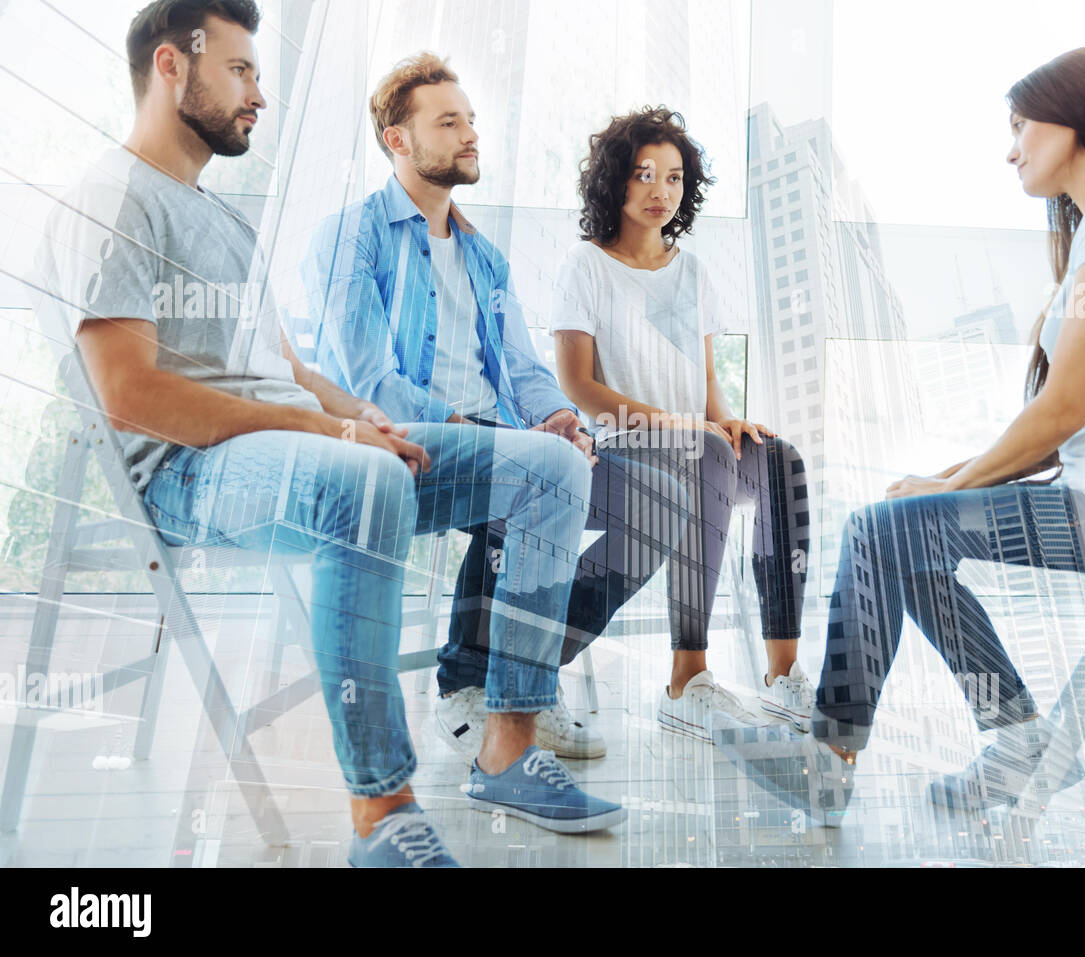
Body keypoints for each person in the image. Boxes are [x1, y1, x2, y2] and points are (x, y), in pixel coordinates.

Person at [32, 0, 627, 867]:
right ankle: (381, 812)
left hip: (293, 446)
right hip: (191, 473)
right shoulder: (114, 198)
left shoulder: (227, 220)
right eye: (240, 70)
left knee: (550, 469)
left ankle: (506, 748)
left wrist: (360, 417)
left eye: (259, 76)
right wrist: (330, 433)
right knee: (368, 482)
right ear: (172, 66)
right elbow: (131, 397)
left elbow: (289, 368)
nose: (259, 96)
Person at [714, 47, 1085, 824]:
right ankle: (1020, 738)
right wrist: (938, 483)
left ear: (1075, 115)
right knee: (904, 532)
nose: (1010, 147)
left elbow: (1061, 414)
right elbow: (1060, 430)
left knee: (883, 532)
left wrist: (944, 489)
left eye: (1021, 125)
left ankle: (833, 759)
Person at [305, 54, 687, 765]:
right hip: (406, 445)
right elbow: (368, 380)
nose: (469, 134)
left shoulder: (486, 259)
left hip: (509, 445)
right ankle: (471, 684)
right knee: (530, 473)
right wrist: (486, 433)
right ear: (397, 139)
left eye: (472, 120)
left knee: (658, 500)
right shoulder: (349, 238)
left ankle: (521, 672)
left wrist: (557, 418)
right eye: (448, 122)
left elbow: (524, 370)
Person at [551, 107, 813, 741]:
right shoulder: (585, 267)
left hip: (693, 441)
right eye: (644, 175)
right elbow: (579, 386)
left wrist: (725, 420)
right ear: (615, 180)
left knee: (781, 461)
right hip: (625, 447)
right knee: (709, 457)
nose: (660, 192)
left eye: (673, 178)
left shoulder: (690, 270)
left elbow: (707, 381)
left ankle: (785, 674)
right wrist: (683, 426)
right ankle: (686, 678)